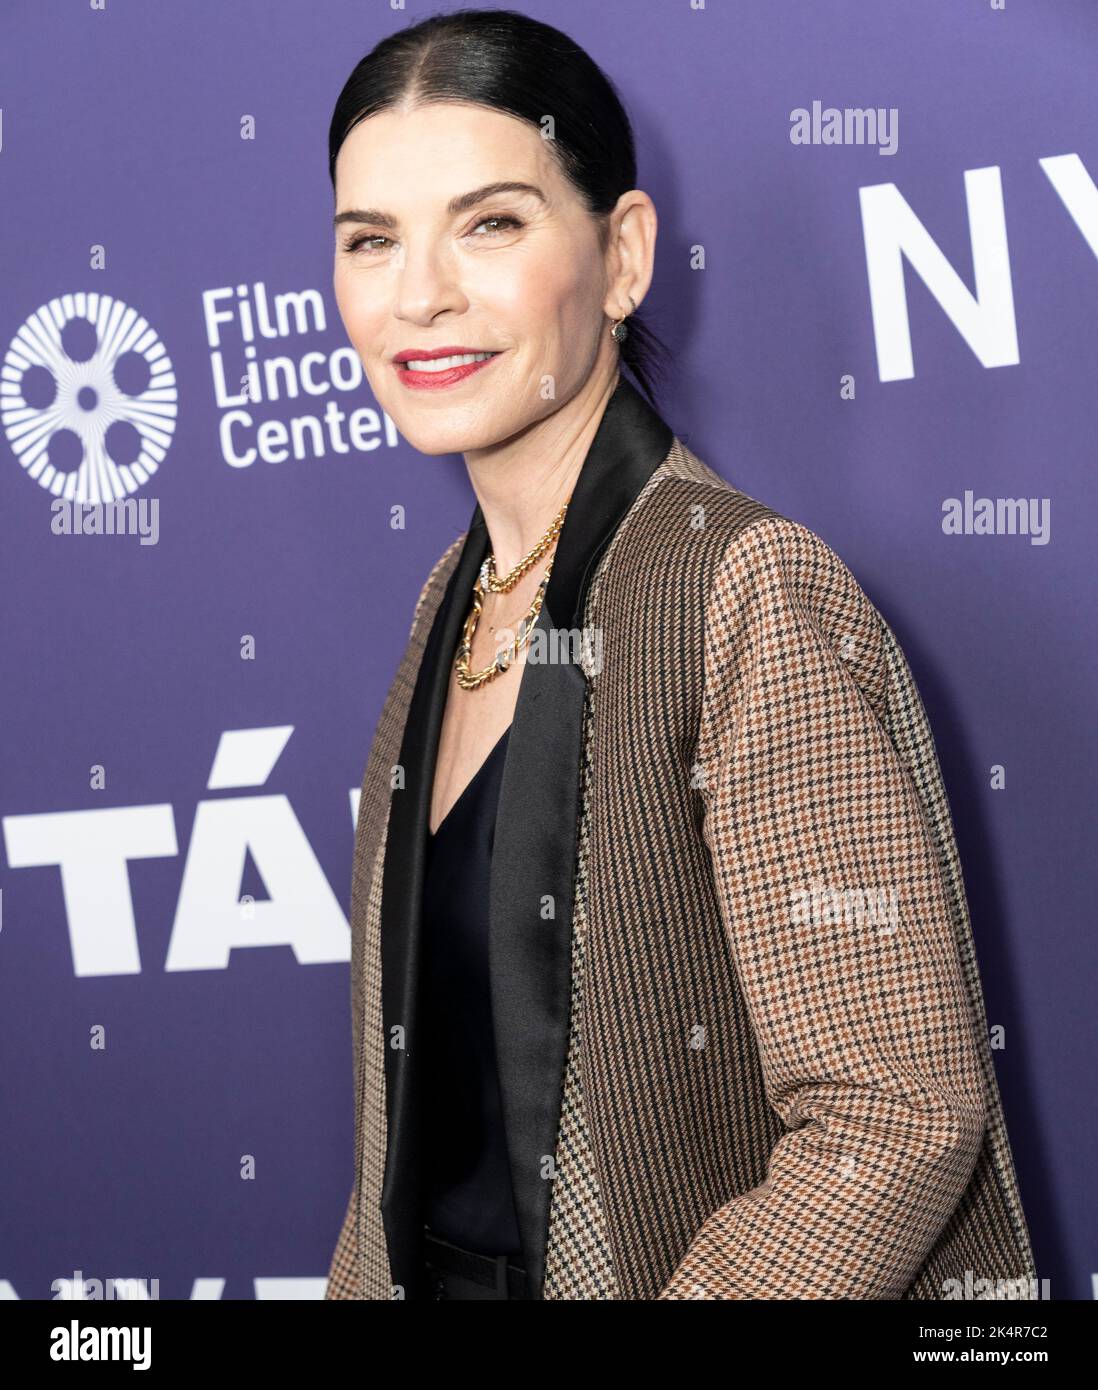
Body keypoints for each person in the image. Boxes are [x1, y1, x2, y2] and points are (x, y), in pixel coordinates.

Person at [323, 8, 1036, 1301]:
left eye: (488, 222)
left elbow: (894, 1106)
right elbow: (409, 1145)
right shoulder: (451, 601)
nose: (417, 292)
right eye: (370, 240)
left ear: (624, 252)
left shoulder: (739, 585)